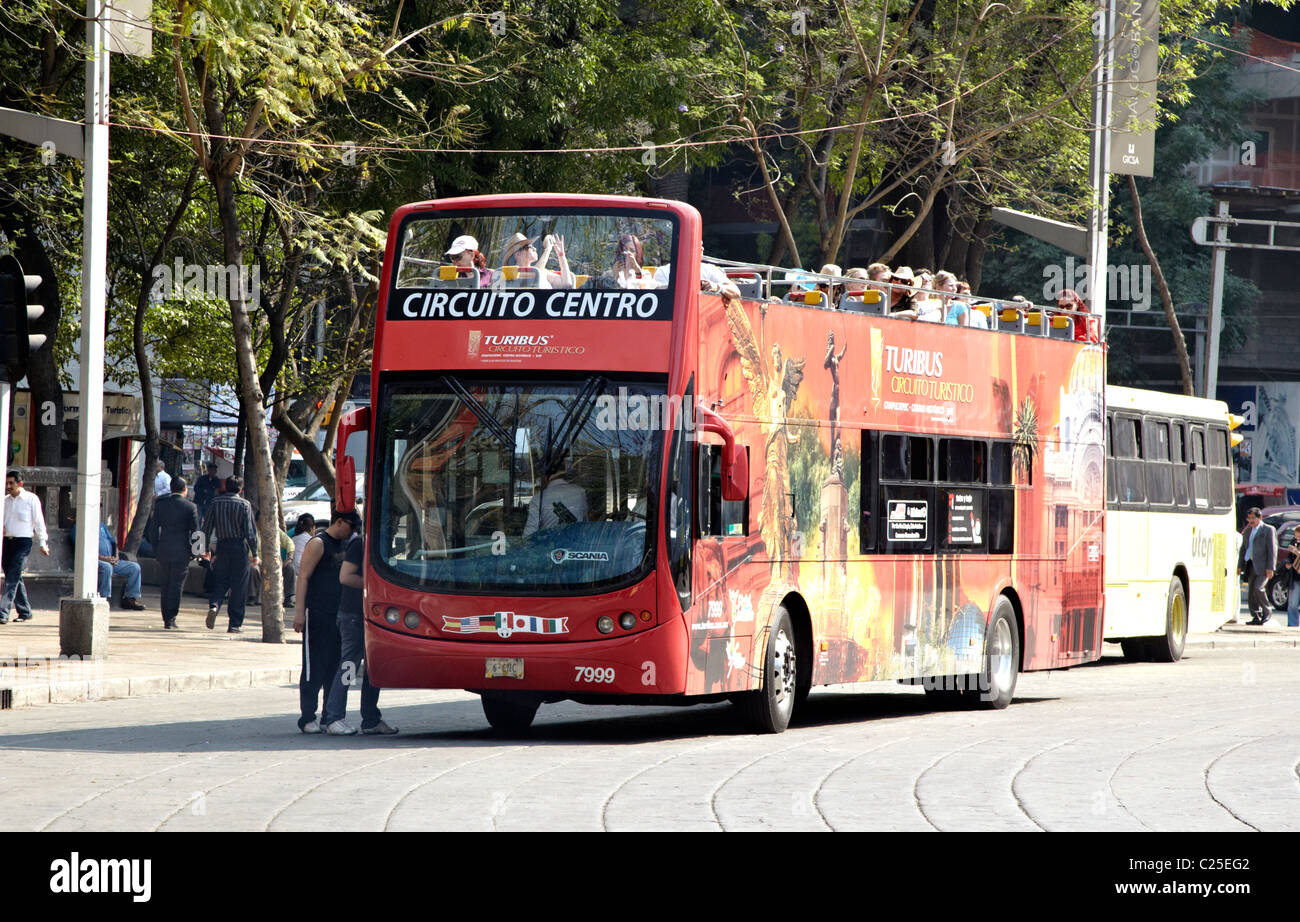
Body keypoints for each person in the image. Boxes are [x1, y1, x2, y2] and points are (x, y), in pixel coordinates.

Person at [320, 529, 397, 736]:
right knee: (348, 666)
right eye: (393, 521)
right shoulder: (360, 544)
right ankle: (334, 717)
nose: (396, 526)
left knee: (374, 667)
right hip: (353, 615)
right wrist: (375, 586)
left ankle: (371, 719)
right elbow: (345, 577)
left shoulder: (381, 544)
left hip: (370, 614)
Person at [294, 509, 361, 734]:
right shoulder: (318, 543)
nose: (352, 532)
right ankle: (307, 716)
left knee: (335, 665)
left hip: (339, 614)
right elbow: (303, 576)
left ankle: (328, 715)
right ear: (339, 521)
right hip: (317, 612)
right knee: (314, 666)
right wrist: (300, 612)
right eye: (350, 526)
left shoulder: (347, 544)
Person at [202, 474, 259, 633]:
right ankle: (234, 624)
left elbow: (206, 528)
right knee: (239, 586)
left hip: (222, 547)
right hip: (239, 547)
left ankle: (214, 605)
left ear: (225, 487)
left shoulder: (215, 502)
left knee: (221, 582)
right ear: (241, 489)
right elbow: (249, 531)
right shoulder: (244, 504)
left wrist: (206, 549)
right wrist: (255, 553)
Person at [145, 475, 199, 629]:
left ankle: (165, 617)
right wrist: (197, 553)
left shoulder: (161, 505)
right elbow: (196, 532)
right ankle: (171, 618)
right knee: (176, 585)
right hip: (182, 551)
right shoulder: (190, 507)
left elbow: (153, 530)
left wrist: (156, 547)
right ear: (185, 489)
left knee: (165, 584)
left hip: (164, 549)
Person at [1, 470, 49, 623]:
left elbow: (39, 522)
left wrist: (43, 542)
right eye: (7, 483)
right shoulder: (5, 501)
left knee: (12, 576)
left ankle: (3, 612)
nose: (8, 486)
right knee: (13, 576)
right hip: (7, 542)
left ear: (20, 483)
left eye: (11, 483)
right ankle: (25, 610)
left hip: (23, 542)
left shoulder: (30, 499)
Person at [523, 463, 588, 536]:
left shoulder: (538, 498)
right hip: (578, 545)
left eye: (539, 478)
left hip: (549, 545)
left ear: (545, 476)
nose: (539, 482)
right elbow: (585, 524)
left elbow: (529, 536)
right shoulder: (580, 492)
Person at [1238, 507, 1277, 626]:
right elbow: (1243, 549)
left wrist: (1271, 567)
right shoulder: (1248, 531)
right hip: (1250, 565)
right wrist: (1240, 565)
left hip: (1263, 566)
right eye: (1248, 518)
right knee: (1251, 592)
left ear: (1260, 518)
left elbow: (1272, 550)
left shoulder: (1268, 530)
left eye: (1253, 518)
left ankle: (1267, 611)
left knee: (1258, 587)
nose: (1250, 521)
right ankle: (1255, 615)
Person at [95, 520, 145, 610]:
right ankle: (103, 598)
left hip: (111, 560)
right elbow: (84, 550)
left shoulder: (102, 526)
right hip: (95, 561)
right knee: (107, 567)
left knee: (134, 567)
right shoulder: (80, 526)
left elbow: (113, 542)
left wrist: (116, 556)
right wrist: (104, 558)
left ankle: (130, 598)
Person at [500, 232, 574, 288]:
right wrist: (547, 249)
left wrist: (561, 255)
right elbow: (532, 278)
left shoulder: (543, 272)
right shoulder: (513, 274)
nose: (534, 248)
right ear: (518, 254)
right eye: (529, 246)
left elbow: (566, 284)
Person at [1286, 523, 1300, 628]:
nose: (1297, 539)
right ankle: (1292, 625)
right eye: (1296, 536)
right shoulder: (1294, 543)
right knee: (1292, 603)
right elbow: (1289, 557)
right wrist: (1288, 564)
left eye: (1299, 537)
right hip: (1295, 576)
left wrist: (1297, 552)